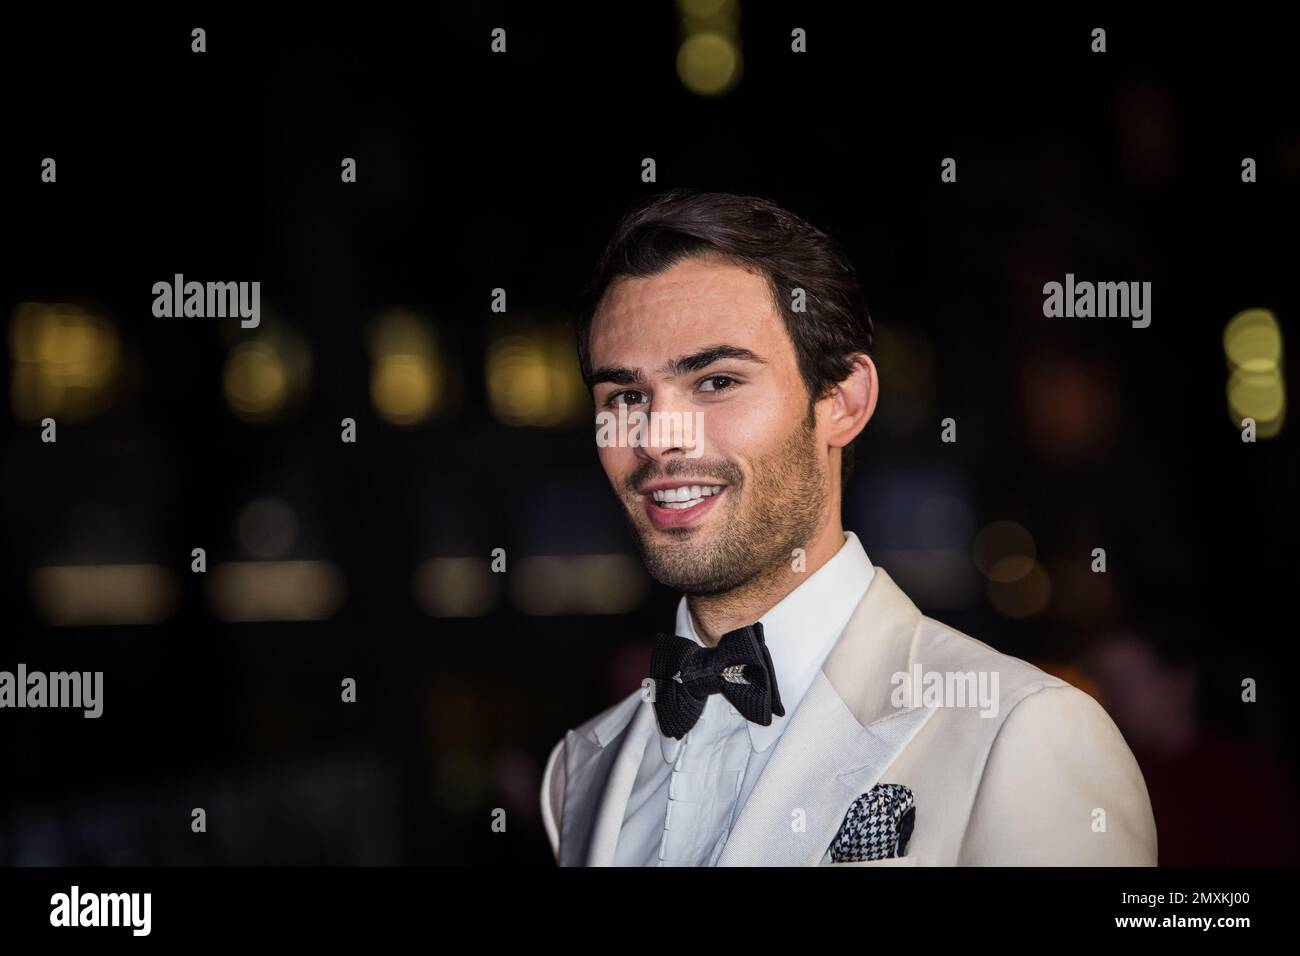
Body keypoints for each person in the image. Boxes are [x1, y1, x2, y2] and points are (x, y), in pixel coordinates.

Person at [540, 188, 1156, 866]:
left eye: (716, 382)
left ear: (843, 401)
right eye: (626, 396)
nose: (659, 438)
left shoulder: (1021, 732)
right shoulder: (581, 771)